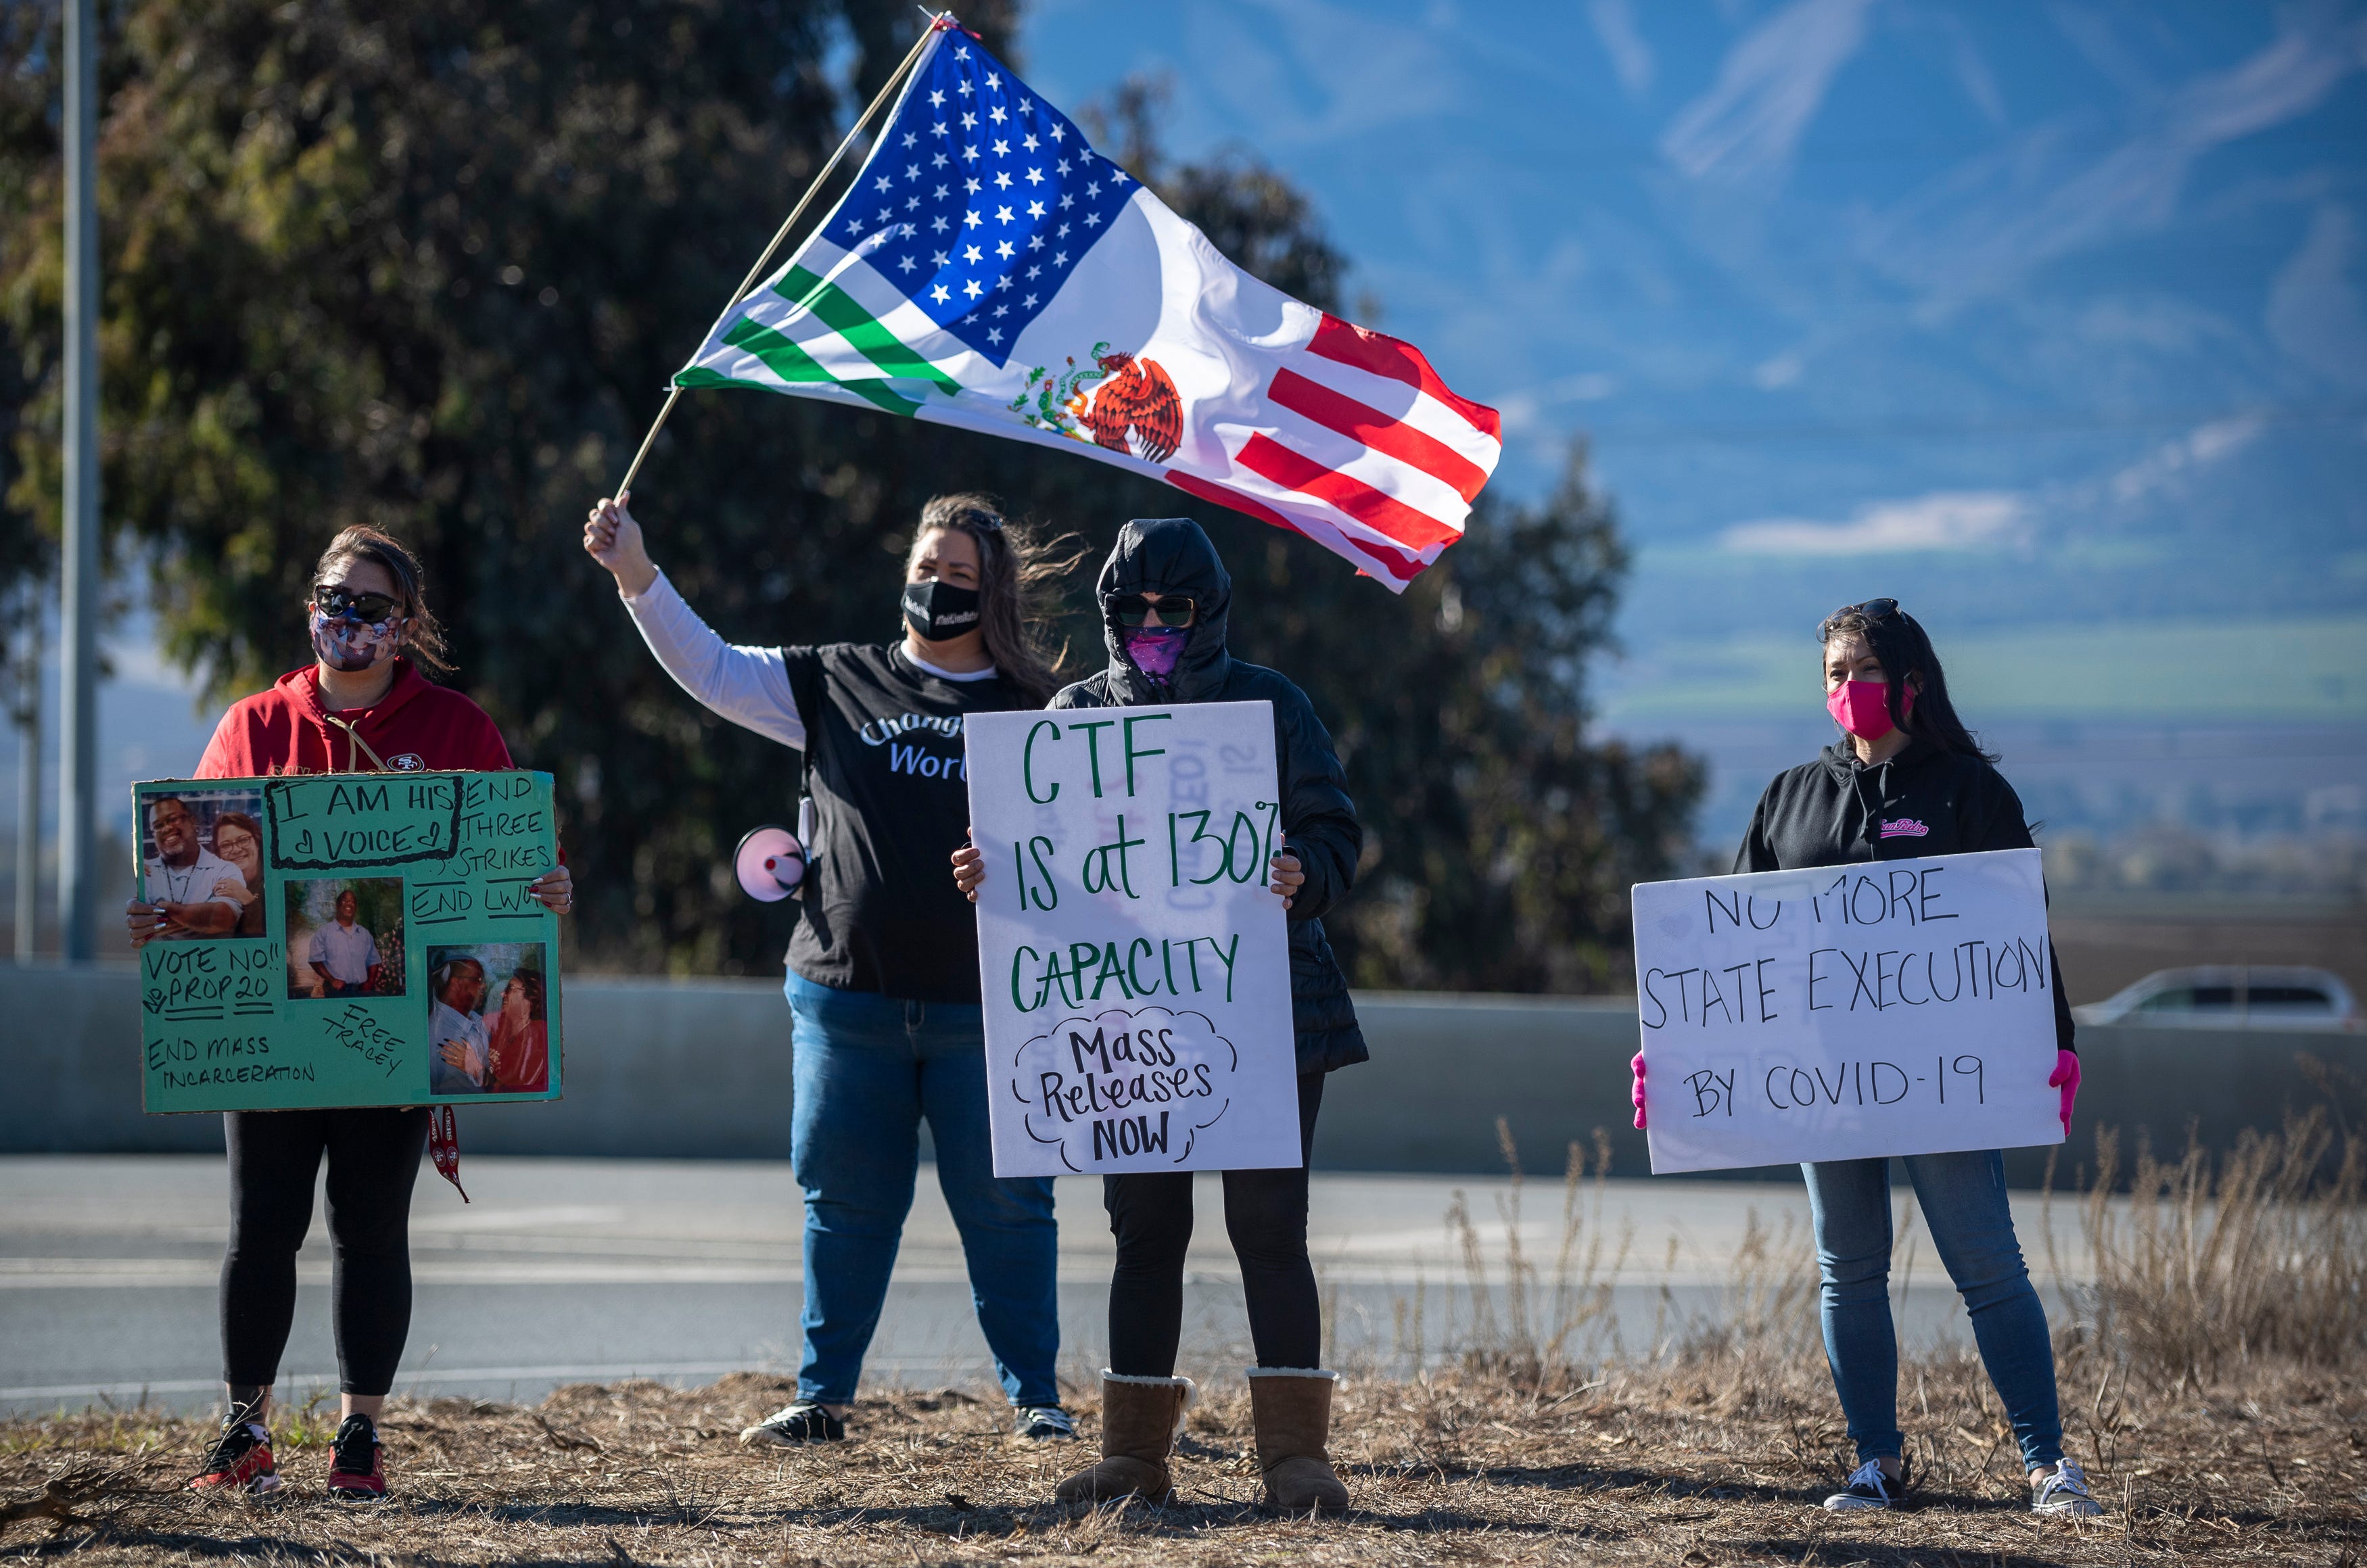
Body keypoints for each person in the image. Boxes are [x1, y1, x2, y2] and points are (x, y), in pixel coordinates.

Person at [584, 487, 1080, 1446]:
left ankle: (1039, 1403)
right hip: (843, 1003)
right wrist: (633, 571)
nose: (939, 587)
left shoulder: (1039, 709)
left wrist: (1023, 868)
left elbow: (1090, 848)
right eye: (927, 569)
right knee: (842, 1200)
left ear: (997, 593)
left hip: (991, 1014)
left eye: (962, 575)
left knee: (1011, 1205)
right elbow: (716, 670)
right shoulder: (833, 680)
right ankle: (823, 1397)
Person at [125, 525, 573, 1502]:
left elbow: (508, 869)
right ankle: (245, 1428)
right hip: (272, 1040)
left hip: (392, 1040)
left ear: (404, 624)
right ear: (309, 603)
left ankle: (359, 1434)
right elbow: (200, 870)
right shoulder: (253, 724)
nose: (348, 618)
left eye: (371, 605)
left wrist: (544, 888)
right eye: (333, 596)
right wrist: (157, 914)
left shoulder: (459, 729)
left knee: (370, 1230)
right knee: (260, 1229)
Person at [1632, 598, 2099, 1519]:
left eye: (1864, 672)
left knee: (1989, 1265)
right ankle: (1874, 1461)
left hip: (1948, 1081)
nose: (1849, 690)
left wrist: (2057, 1043)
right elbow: (1726, 954)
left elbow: (2021, 938)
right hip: (1826, 1083)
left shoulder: (1971, 792)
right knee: (1848, 1268)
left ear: (1911, 682)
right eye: (1834, 676)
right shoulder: (1788, 799)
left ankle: (2048, 1464)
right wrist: (1672, 1056)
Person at [952, 517, 1367, 1515]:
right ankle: (1134, 1455)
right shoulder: (1072, 713)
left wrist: (1306, 870)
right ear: (1107, 611)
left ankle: (1295, 1458)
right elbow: (1042, 857)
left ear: (1209, 609)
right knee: (1147, 1226)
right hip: (1126, 1013)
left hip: (1270, 1007)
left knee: (1270, 1223)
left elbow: (1335, 827)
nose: (1151, 622)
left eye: (1172, 606)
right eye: (1131, 605)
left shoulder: (1272, 705)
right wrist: (990, 874)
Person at [139, 797, 243, 939]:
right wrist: (194, 919)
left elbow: (223, 918)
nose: (167, 828)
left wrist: (166, 908)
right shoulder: (145, 872)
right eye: (158, 826)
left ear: (193, 821)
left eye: (173, 819)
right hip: (165, 960)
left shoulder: (225, 869)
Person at [428, 956, 493, 1093]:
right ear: (456, 983)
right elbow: (474, 1098)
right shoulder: (443, 1035)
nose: (484, 986)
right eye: (478, 979)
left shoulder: (477, 1020)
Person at [307, 889, 381, 997]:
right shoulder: (323, 933)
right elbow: (315, 961)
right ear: (337, 905)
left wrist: (370, 982)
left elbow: (374, 961)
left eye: (352, 901)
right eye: (345, 900)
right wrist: (332, 980)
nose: (349, 904)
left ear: (356, 907)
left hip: (362, 991)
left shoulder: (365, 934)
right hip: (336, 991)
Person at [486, 970, 550, 1093]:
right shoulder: (502, 1030)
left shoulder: (539, 1035)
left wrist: (475, 1068)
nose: (502, 994)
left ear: (531, 998)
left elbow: (510, 1091)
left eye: (510, 989)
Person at [208, 812, 268, 938]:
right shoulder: (213, 884)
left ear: (257, 842)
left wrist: (247, 899)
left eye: (243, 840)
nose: (236, 850)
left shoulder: (276, 880)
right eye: (226, 845)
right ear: (218, 854)